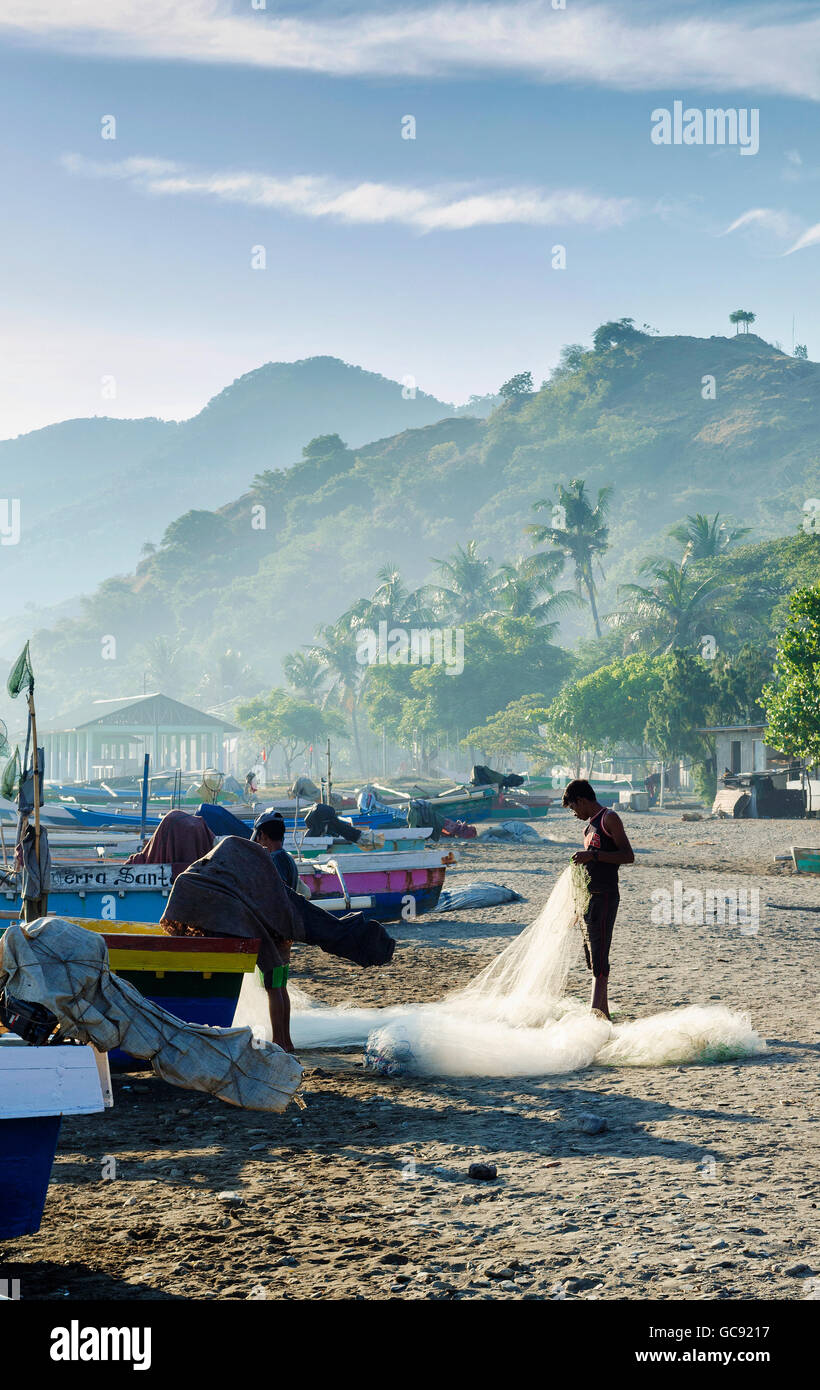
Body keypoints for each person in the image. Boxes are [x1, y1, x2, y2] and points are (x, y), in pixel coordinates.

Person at [562, 779, 634, 1021]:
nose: (575, 814)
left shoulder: (608, 818)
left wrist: (592, 855)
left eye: (574, 808)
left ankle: (594, 1017)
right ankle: (603, 1015)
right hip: (589, 900)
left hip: (605, 897)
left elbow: (627, 855)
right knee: (593, 959)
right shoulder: (587, 828)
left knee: (600, 958)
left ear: (582, 800)